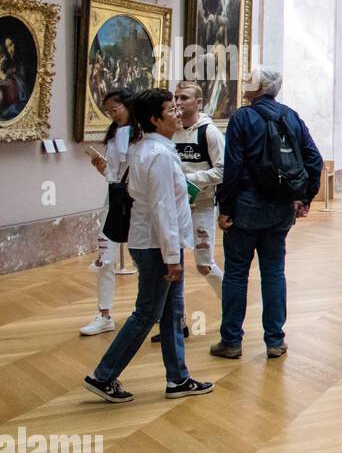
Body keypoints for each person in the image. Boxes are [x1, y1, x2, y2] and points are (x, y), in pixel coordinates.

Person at [83, 89, 213, 404]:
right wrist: (172, 258)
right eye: (171, 110)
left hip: (160, 244)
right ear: (155, 119)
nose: (178, 113)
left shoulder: (150, 148)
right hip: (158, 247)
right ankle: (103, 376)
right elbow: (162, 209)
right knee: (146, 313)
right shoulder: (157, 154)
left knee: (171, 312)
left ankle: (177, 378)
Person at [211, 68, 323, 360]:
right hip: (281, 209)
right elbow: (314, 159)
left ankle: (231, 341)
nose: (245, 82)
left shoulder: (242, 117)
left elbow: (233, 166)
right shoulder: (291, 116)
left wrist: (225, 208)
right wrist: (305, 197)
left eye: (250, 79)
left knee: (236, 274)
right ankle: (275, 340)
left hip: (246, 208)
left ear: (260, 86)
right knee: (273, 273)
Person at [81, 91, 134, 336]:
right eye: (108, 111)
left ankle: (151, 310)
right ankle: (104, 314)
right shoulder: (115, 134)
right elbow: (114, 175)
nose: (112, 114)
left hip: (137, 202)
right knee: (106, 257)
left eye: (116, 109)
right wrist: (101, 168)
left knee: (144, 257)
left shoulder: (142, 135)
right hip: (114, 200)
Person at [172, 81, 226, 299]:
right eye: (176, 97)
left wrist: (189, 179)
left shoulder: (209, 132)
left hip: (201, 205)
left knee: (204, 265)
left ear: (199, 102)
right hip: (175, 205)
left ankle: (231, 307)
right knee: (172, 264)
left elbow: (223, 171)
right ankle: (177, 316)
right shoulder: (172, 131)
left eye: (184, 97)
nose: (178, 102)